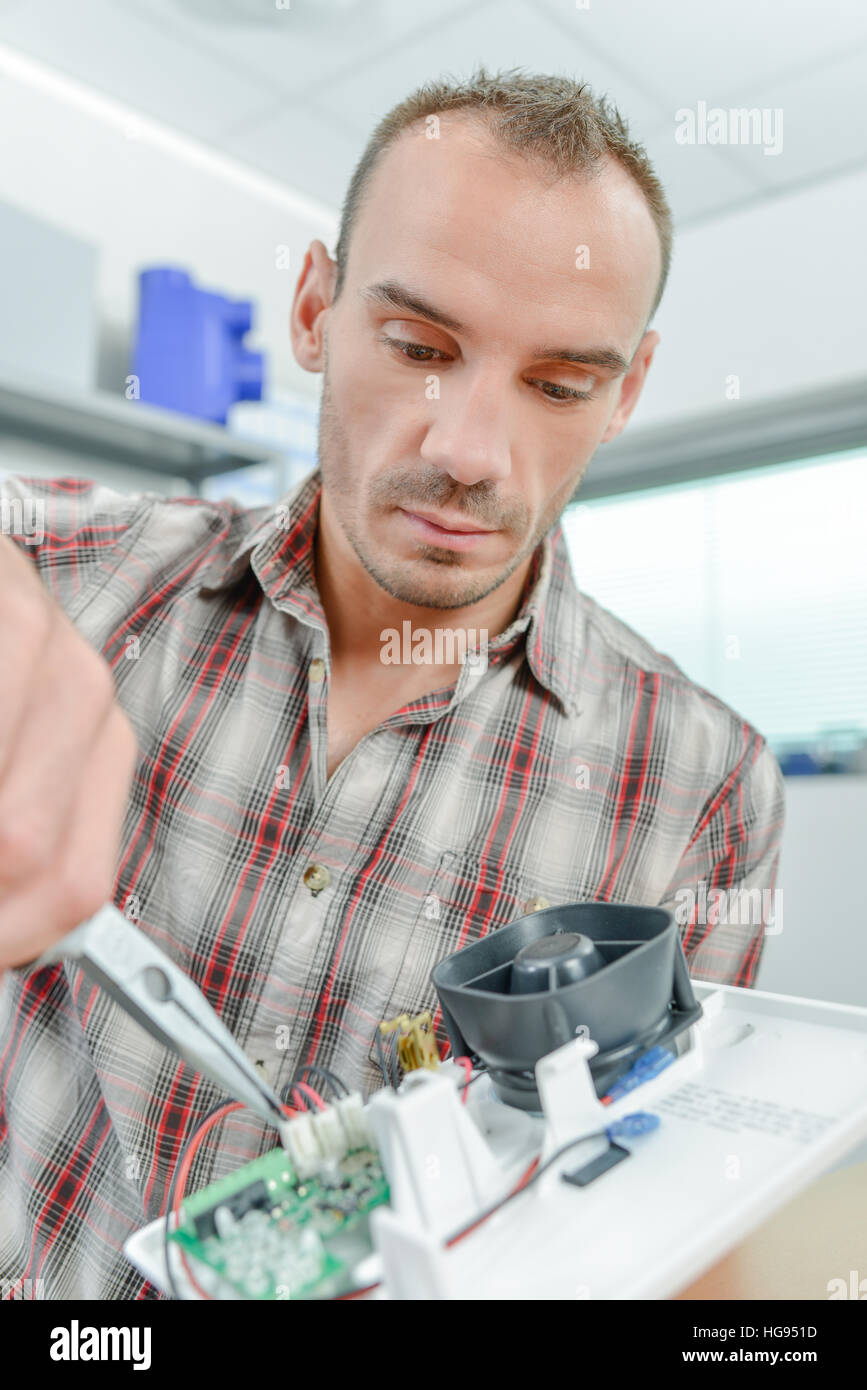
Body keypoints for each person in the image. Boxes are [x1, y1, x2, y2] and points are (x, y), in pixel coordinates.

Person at [0, 68, 784, 1298]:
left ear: (627, 390)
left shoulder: (707, 786)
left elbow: (665, 1208)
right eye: (419, 346)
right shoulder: (69, 572)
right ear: (315, 308)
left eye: (560, 384)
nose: (469, 451)